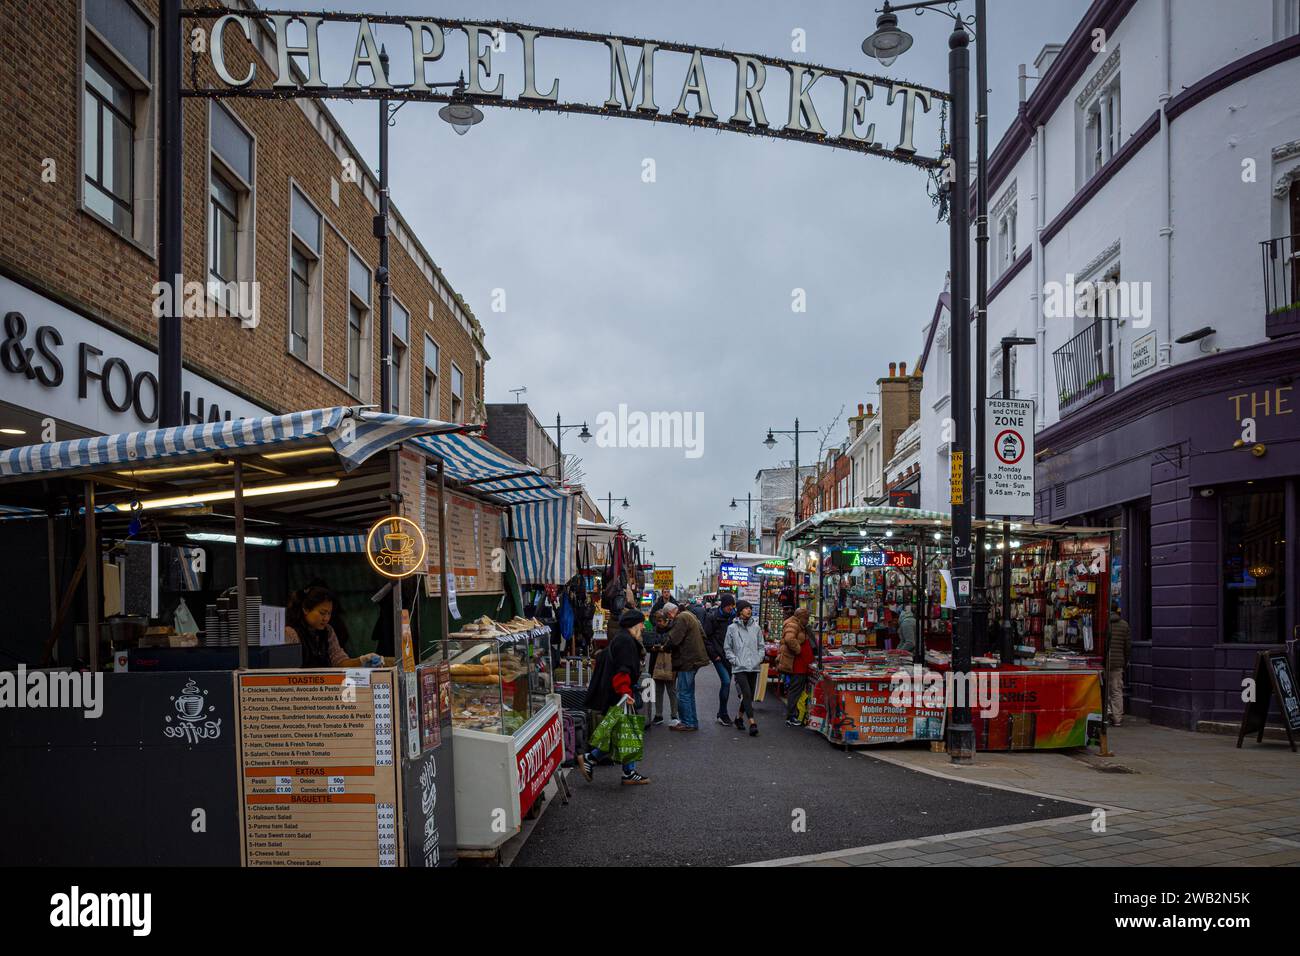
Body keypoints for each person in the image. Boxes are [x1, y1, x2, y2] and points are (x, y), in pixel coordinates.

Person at [577, 608, 650, 785]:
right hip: (619, 693)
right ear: (634, 624)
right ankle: (594, 759)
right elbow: (622, 671)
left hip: (616, 692)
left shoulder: (622, 637)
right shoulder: (626, 642)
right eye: (641, 623)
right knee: (625, 731)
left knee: (621, 732)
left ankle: (623, 770)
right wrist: (626, 693)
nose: (643, 626)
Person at [285, 585, 383, 668]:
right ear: (306, 609)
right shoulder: (290, 633)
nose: (326, 618)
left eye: (329, 613)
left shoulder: (328, 631)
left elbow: (340, 661)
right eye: (322, 613)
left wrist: (362, 660)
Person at [664, 602, 708, 732]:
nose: (669, 618)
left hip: (687, 660)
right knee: (688, 693)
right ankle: (692, 721)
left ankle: (687, 722)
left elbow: (674, 639)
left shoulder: (681, 618)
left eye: (668, 616)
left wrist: (664, 647)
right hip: (694, 659)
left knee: (683, 693)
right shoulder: (689, 614)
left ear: (670, 613)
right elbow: (703, 634)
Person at [724, 600, 764, 736]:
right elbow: (727, 648)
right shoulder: (732, 628)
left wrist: (758, 658)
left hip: (753, 666)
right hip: (739, 666)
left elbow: (761, 646)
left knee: (749, 695)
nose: (749, 610)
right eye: (746, 608)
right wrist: (735, 660)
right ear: (740, 611)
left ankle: (739, 718)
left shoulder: (756, 628)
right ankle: (752, 722)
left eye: (750, 608)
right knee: (746, 693)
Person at [703, 592, 738, 725]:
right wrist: (714, 655)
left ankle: (721, 713)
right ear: (723, 605)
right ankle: (723, 714)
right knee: (726, 682)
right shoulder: (713, 617)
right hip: (718, 656)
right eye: (728, 605)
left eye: (732, 605)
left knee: (727, 684)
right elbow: (706, 638)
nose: (730, 608)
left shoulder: (734, 618)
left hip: (730, 657)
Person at [643, 609, 678, 726]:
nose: (658, 623)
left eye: (660, 621)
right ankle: (658, 715)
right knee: (658, 690)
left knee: (671, 689)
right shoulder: (654, 630)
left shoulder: (673, 630)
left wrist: (661, 647)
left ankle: (674, 714)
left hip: (670, 663)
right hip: (656, 663)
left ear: (666, 620)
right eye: (657, 621)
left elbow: (673, 645)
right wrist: (653, 647)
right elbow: (648, 645)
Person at [777, 607, 812, 726]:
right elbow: (789, 639)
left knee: (796, 690)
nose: (807, 621)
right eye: (806, 618)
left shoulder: (799, 625)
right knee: (795, 690)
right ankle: (791, 716)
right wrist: (799, 650)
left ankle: (794, 714)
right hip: (797, 664)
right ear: (800, 617)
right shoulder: (793, 624)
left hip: (800, 664)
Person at [1107, 603, 1131, 727]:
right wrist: (1125, 660)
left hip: (1104, 661)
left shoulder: (1104, 623)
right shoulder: (1124, 624)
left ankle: (1107, 714)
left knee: (1104, 690)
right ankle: (1117, 718)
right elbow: (1127, 646)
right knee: (1116, 690)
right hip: (1118, 662)